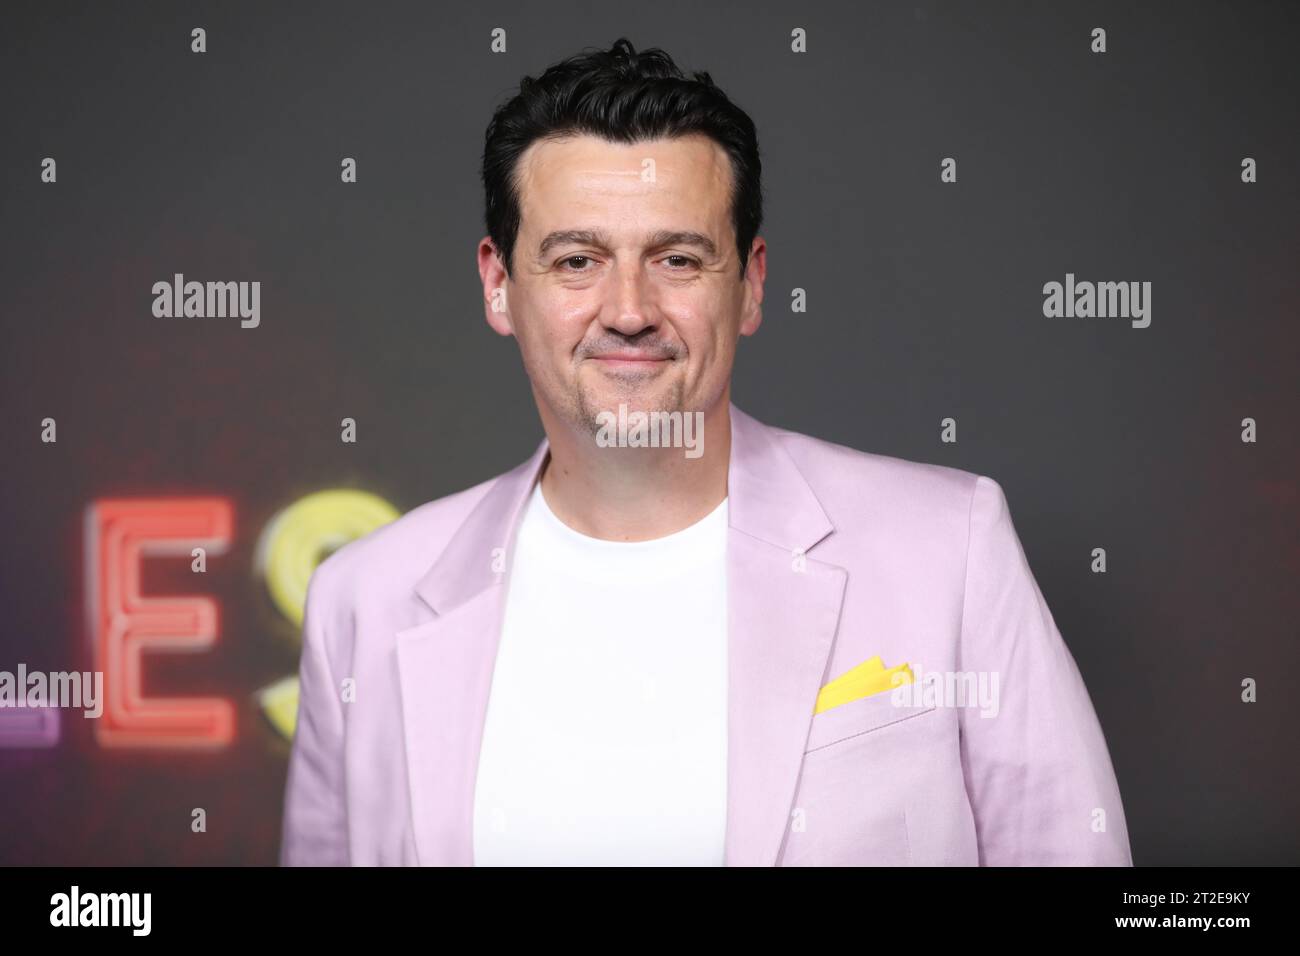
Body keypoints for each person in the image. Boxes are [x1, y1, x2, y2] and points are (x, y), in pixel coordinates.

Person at [279, 37, 1132, 866]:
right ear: (498, 285)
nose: (628, 309)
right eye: (577, 260)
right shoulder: (366, 600)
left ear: (752, 283)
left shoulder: (950, 547)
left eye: (677, 259)